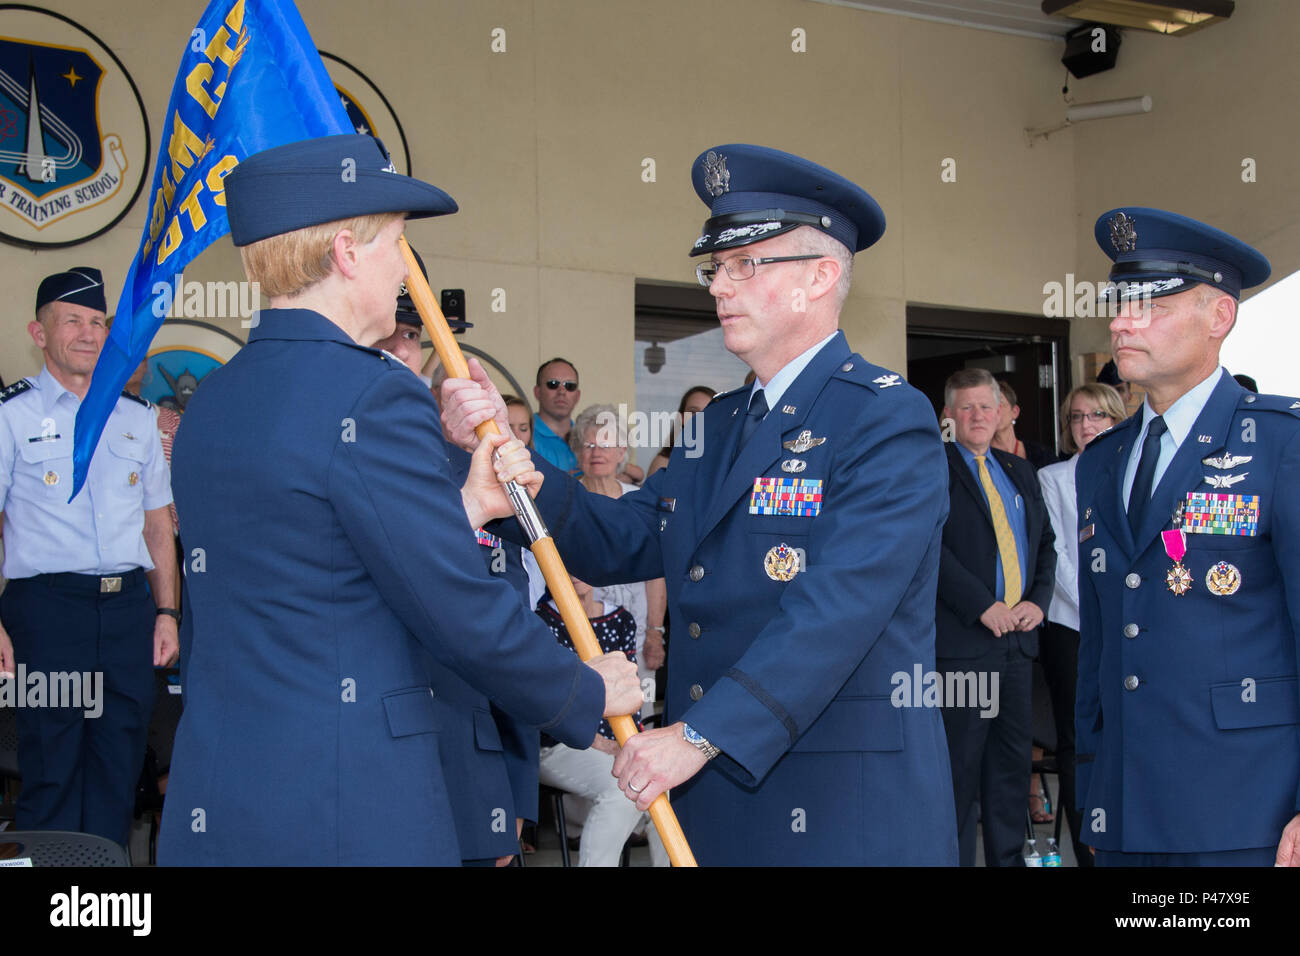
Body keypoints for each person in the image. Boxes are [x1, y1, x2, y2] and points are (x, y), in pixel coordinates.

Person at [444, 143, 959, 865]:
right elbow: (627, 534)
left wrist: (695, 734)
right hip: (714, 797)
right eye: (715, 268)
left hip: (839, 798)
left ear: (821, 276)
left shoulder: (885, 418)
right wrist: (523, 481)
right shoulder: (713, 426)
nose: (720, 286)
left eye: (747, 265)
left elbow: (838, 610)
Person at [156, 134, 641, 866]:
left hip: (222, 796)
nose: (406, 273)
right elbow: (456, 608)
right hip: (348, 802)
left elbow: (324, 563)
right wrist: (582, 687)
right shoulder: (374, 396)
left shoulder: (214, 403)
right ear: (348, 252)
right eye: (399, 245)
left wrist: (467, 510)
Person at [1076, 206, 1300, 867]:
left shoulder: (1279, 443)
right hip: (1125, 808)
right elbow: (1100, 641)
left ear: (1218, 317)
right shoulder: (1103, 459)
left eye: (1150, 303)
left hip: (1245, 808)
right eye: (1118, 302)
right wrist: (1093, 784)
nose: (1121, 320)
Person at [0, 266, 179, 848]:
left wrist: (166, 612)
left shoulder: (137, 420)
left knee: (116, 775)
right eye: (71, 320)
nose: (87, 333)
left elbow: (157, 524)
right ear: (39, 332)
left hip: (127, 612)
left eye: (97, 322)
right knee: (50, 774)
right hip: (47, 612)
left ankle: (99, 909)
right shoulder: (12, 416)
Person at [373, 252, 541, 867]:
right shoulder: (334, 456)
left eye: (411, 336)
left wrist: (517, 785)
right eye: (384, 336)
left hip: (468, 771)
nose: (399, 350)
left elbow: (510, 629)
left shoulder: (474, 466)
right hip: (367, 772)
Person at [937, 368, 1056, 866]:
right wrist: (981, 604)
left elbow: (1045, 544)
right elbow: (930, 549)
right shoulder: (932, 469)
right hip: (963, 649)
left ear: (1003, 412)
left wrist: (1038, 601)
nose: (978, 417)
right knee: (959, 776)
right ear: (948, 417)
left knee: (1009, 774)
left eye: (986, 407)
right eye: (966, 408)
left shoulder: (1019, 471)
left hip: (1017, 648)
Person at [1035, 382, 1125, 866]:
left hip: (1129, 626)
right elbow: (1058, 557)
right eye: (1076, 417)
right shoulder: (1052, 478)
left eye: (1098, 416)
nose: (1087, 426)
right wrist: (1102, 607)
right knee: (1078, 739)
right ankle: (1089, 850)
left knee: (1128, 729)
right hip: (1072, 625)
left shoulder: (1134, 466)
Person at [535, 575, 668, 866]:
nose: (573, 574)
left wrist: (628, 744)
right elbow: (544, 707)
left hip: (611, 743)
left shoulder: (621, 619)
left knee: (661, 782)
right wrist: (599, 743)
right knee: (620, 793)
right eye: (566, 565)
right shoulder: (539, 623)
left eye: (581, 563)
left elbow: (630, 696)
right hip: (555, 743)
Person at [570, 403, 668, 701]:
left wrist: (655, 631)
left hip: (635, 640)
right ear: (577, 451)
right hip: (576, 639)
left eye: (606, 445)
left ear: (622, 452)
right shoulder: (565, 501)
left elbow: (655, 574)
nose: (596, 453)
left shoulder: (638, 503)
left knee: (639, 718)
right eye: (588, 445)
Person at [647, 385, 716, 478]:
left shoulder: (728, 461)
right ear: (682, 418)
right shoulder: (663, 464)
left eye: (708, 412)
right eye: (693, 412)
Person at [992, 380, 1057, 471]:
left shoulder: (1042, 454)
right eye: (989, 406)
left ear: (1015, 412)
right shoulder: (980, 458)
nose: (995, 411)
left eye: (1000, 405)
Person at [531, 358, 581, 472]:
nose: (562, 391)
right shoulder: (522, 433)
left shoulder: (586, 437)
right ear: (537, 392)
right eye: (553, 384)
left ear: (577, 395)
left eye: (570, 386)